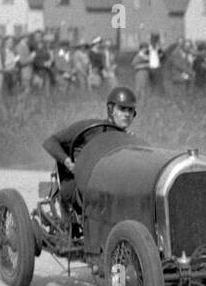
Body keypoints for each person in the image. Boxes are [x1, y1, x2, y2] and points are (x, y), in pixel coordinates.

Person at [42, 86, 138, 221]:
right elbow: (50, 142)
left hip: (110, 189)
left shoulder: (129, 139)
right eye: (122, 109)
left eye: (130, 110)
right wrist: (68, 163)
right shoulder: (91, 127)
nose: (127, 114)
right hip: (78, 185)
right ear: (111, 110)